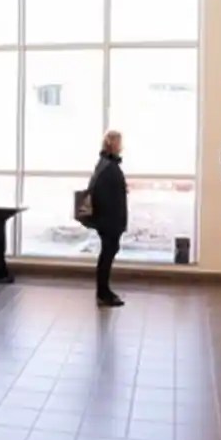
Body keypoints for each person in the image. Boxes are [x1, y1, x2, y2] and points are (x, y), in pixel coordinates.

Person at [89, 130, 128, 308]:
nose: (121, 146)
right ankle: (103, 292)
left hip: (109, 219)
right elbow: (102, 194)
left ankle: (104, 290)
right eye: (119, 142)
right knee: (107, 254)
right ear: (113, 144)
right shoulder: (108, 166)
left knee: (108, 252)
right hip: (109, 220)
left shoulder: (106, 164)